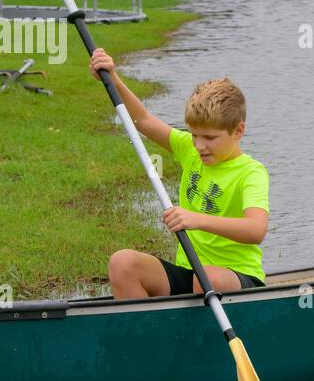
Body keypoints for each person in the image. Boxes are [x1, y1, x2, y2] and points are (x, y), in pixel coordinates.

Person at [88, 48, 270, 298]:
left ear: (238, 131)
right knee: (122, 263)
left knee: (208, 277)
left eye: (210, 138)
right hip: (191, 274)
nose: (199, 145)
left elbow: (255, 230)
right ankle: (147, 334)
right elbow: (143, 120)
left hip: (233, 278)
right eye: (194, 135)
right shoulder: (190, 150)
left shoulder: (251, 172)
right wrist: (112, 77)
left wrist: (196, 219)